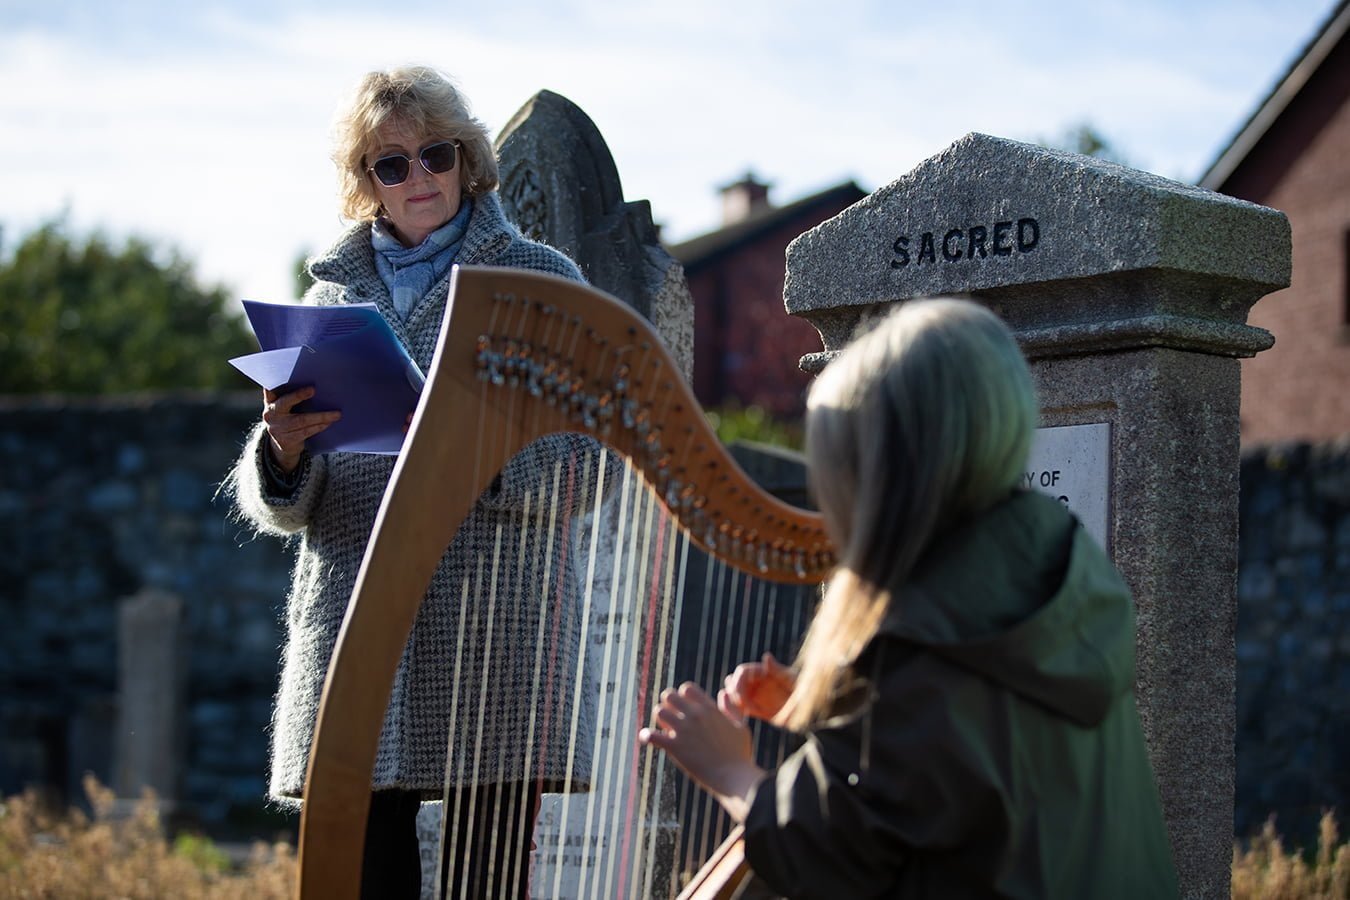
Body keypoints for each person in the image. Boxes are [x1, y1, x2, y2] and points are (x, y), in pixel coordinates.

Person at [639, 298, 1180, 898]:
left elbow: (829, 852)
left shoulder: (921, 634)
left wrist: (729, 770)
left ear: (881, 474)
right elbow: (967, 752)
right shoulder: (1058, 560)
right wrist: (834, 707)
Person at [226, 65, 601, 899]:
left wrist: (476, 458)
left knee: (485, 884)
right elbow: (288, 503)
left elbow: (591, 462)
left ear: (468, 159)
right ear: (366, 183)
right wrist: (281, 450)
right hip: (354, 625)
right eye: (390, 164)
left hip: (498, 629)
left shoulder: (540, 280)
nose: (417, 177)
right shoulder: (326, 298)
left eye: (435, 154)